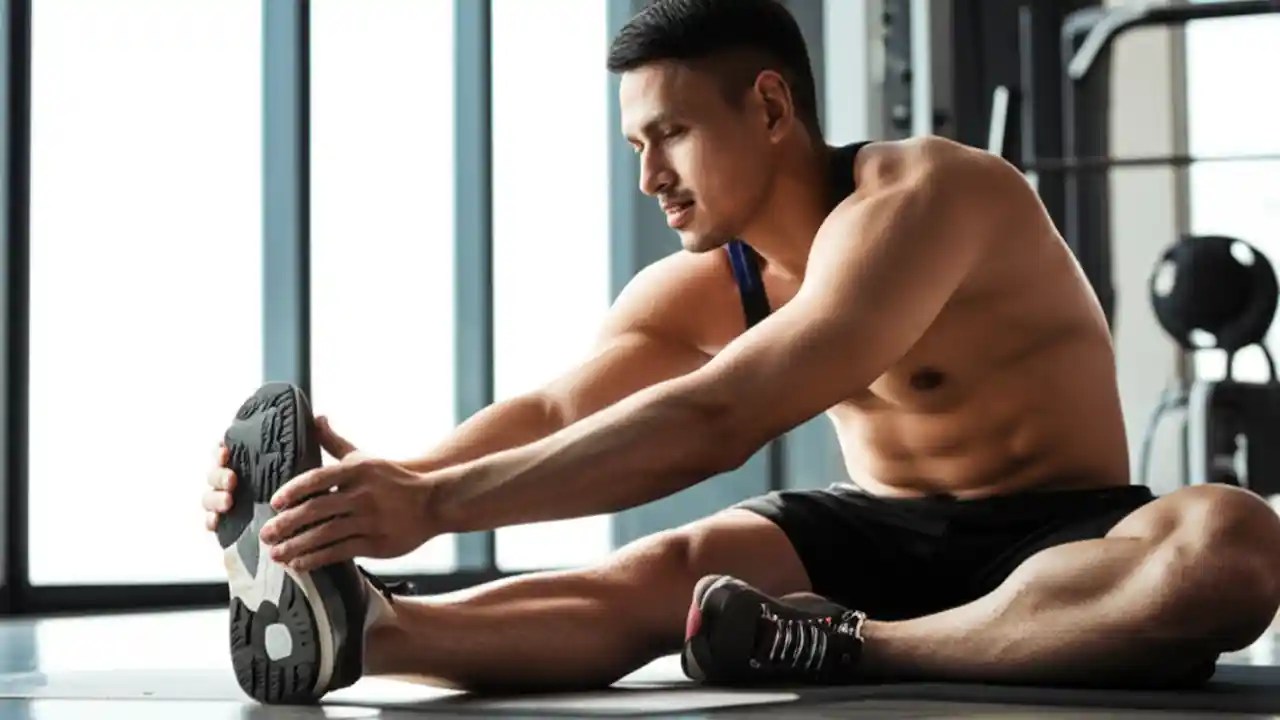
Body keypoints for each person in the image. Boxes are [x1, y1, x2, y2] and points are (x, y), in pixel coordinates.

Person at [202, 0, 1280, 704]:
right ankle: (371, 632)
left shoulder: (926, 198)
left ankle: (856, 646)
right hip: (875, 528)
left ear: (768, 105)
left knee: (1231, 548)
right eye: (634, 145)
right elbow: (552, 414)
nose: (647, 177)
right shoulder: (700, 285)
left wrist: (433, 508)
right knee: (664, 575)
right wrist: (360, 493)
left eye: (667, 134)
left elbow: (722, 415)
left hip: (1067, 532)